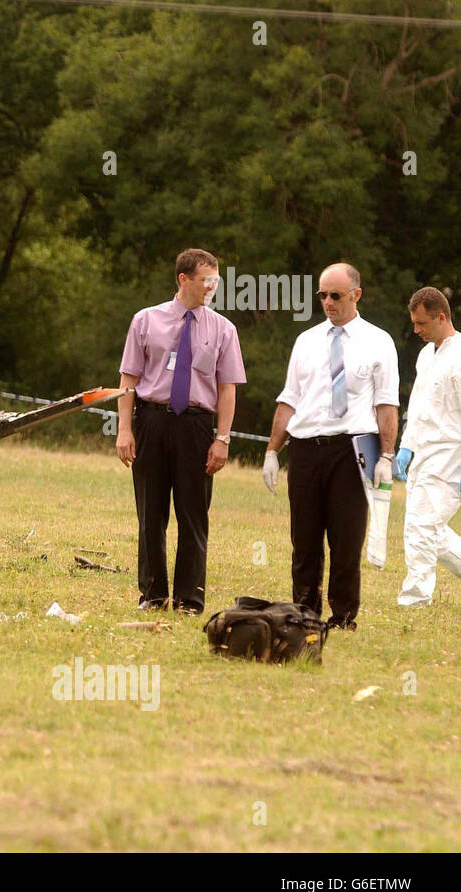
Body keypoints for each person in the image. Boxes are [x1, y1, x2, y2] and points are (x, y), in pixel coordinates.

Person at [261, 262, 398, 629]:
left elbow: (386, 403)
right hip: (306, 448)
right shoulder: (306, 341)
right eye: (322, 294)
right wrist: (273, 450)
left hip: (353, 449)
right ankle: (305, 612)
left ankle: (343, 616)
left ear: (356, 294)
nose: (327, 302)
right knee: (304, 539)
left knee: (346, 538)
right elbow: (289, 398)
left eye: (335, 295)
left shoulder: (378, 341)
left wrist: (386, 455)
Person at [116, 248, 246, 615]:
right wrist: (125, 429)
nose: (211, 288)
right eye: (205, 280)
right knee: (150, 513)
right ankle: (153, 595)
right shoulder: (145, 321)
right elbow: (128, 379)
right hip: (151, 421)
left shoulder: (223, 329)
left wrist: (222, 438)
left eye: (215, 282)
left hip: (196, 426)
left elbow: (227, 388)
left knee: (193, 515)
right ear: (183, 279)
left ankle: (190, 599)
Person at [396, 287, 461, 606]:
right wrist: (406, 446)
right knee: (430, 531)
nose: (416, 330)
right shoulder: (426, 355)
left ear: (441, 316)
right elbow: (418, 405)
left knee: (421, 527)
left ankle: (415, 598)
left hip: (451, 460)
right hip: (423, 455)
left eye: (422, 324)